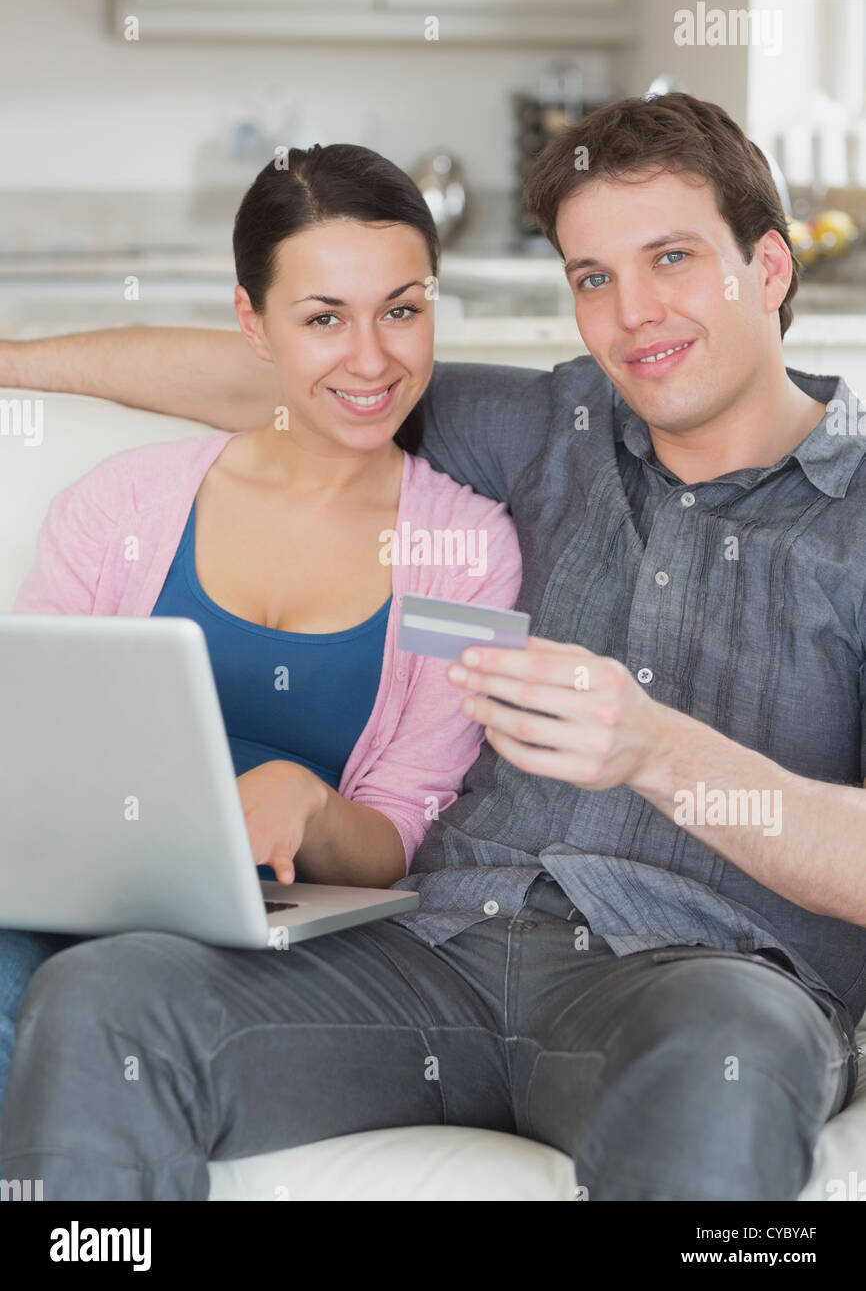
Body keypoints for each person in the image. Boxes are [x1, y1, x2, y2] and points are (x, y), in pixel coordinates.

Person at [2, 92, 863, 1202]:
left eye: (670, 258)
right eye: (592, 277)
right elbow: (296, 380)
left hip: (697, 985)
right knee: (112, 995)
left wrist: (656, 751)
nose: (633, 312)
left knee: (724, 1051)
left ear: (770, 268)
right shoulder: (550, 428)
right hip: (435, 955)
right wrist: (14, 359)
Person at [0, 144, 522, 1122]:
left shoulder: (470, 551)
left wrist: (313, 808)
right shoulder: (120, 504)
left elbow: (404, 832)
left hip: (272, 929)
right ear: (252, 323)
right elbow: (27, 739)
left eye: (401, 310)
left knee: (88, 1003)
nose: (371, 359)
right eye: (323, 317)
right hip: (67, 896)